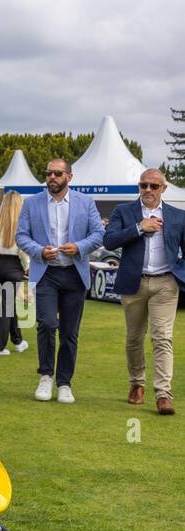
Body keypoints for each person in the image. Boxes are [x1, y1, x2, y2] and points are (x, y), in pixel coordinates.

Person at [15, 158, 105, 403]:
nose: (52, 177)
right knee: (45, 323)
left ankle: (64, 383)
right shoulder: (32, 203)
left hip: (75, 274)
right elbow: (21, 236)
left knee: (69, 332)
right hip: (46, 273)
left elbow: (98, 234)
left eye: (57, 173)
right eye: (48, 173)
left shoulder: (85, 203)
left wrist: (79, 246)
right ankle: (45, 375)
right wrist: (38, 251)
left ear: (69, 177)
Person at [100, 167, 184, 415]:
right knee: (134, 337)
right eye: (143, 185)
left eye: (153, 186)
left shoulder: (178, 216)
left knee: (162, 337)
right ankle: (137, 383)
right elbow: (109, 241)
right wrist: (139, 227)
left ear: (163, 189)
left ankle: (163, 394)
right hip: (133, 283)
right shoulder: (124, 212)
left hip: (166, 284)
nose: (147, 190)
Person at [0, 190, 30, 356]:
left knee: (8, 303)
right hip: (13, 265)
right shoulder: (21, 225)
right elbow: (23, 251)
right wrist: (27, 266)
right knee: (6, 306)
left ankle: (18, 341)